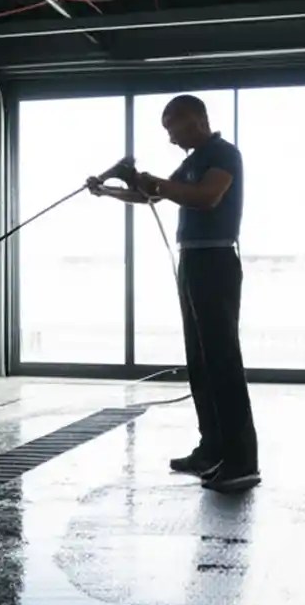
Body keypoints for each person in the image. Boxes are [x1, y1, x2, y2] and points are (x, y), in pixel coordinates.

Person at [87, 94, 259, 494]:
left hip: (216, 260)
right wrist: (109, 191)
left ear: (196, 119)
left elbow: (207, 197)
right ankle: (212, 448)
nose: (170, 139)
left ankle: (241, 461)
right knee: (199, 361)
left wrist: (157, 182)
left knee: (222, 361)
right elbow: (153, 195)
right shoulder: (191, 161)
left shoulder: (222, 154)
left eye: (173, 128)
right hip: (194, 263)